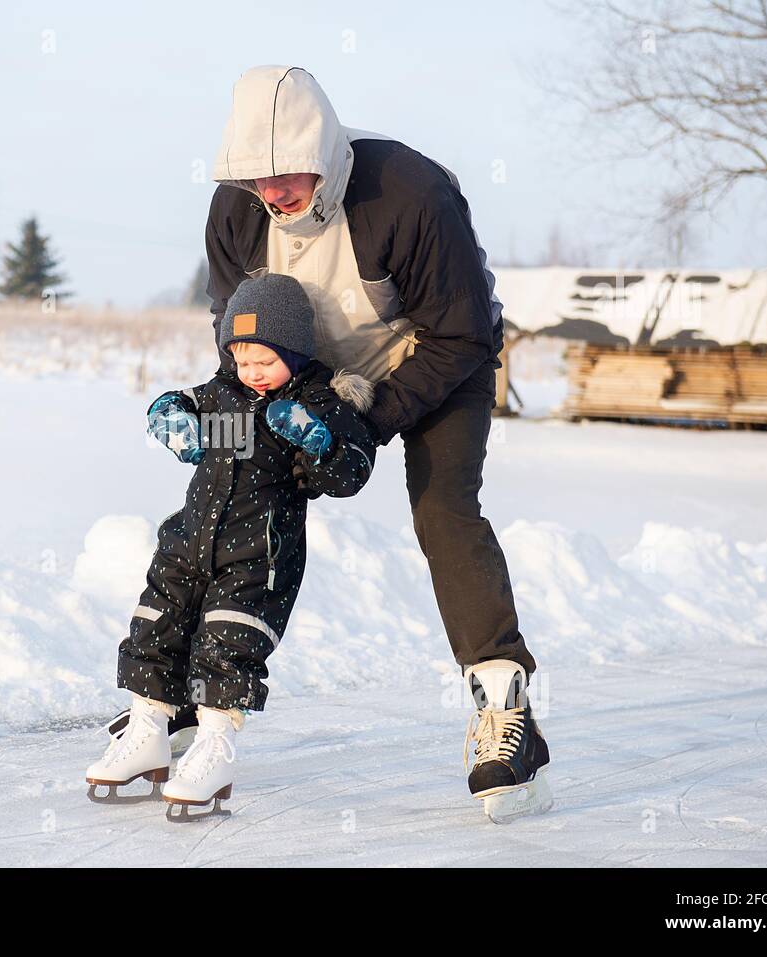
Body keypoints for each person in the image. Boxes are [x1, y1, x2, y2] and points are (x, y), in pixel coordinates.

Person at [203, 65, 551, 819]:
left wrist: (366, 418)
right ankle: (184, 698)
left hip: (434, 358)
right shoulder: (235, 210)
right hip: (314, 368)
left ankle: (504, 709)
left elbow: (463, 334)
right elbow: (234, 326)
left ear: (323, 151)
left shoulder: (409, 193)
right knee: (233, 489)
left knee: (443, 509)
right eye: (256, 175)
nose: (274, 192)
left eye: (288, 171)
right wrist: (235, 417)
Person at [86, 274, 377, 819]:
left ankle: (214, 747)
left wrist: (317, 440)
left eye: (264, 360)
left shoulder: (318, 402)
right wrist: (169, 412)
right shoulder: (223, 393)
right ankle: (147, 731)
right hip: (188, 543)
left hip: (258, 556)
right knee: (155, 631)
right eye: (241, 359)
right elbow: (185, 401)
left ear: (294, 350)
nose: (251, 372)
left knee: (227, 647)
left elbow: (351, 473)